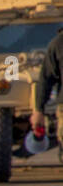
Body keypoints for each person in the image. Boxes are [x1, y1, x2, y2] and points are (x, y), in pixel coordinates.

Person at [31, 24, 63, 163]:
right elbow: (46, 79)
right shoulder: (59, 44)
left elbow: (45, 79)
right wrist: (39, 110)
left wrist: (38, 110)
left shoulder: (58, 43)